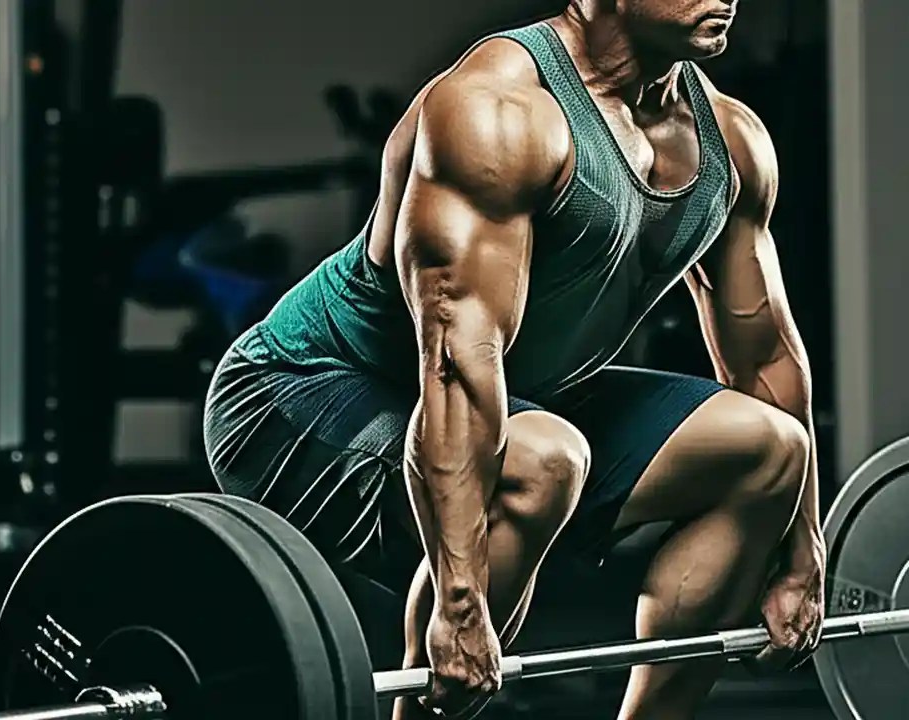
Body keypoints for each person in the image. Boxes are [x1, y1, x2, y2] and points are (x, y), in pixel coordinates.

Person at [202, 1, 826, 718]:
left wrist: (802, 548)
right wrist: (460, 609)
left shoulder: (732, 141)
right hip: (299, 394)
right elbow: (456, 364)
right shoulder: (496, 114)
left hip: (517, 396)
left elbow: (764, 356)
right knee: (542, 457)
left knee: (771, 449)